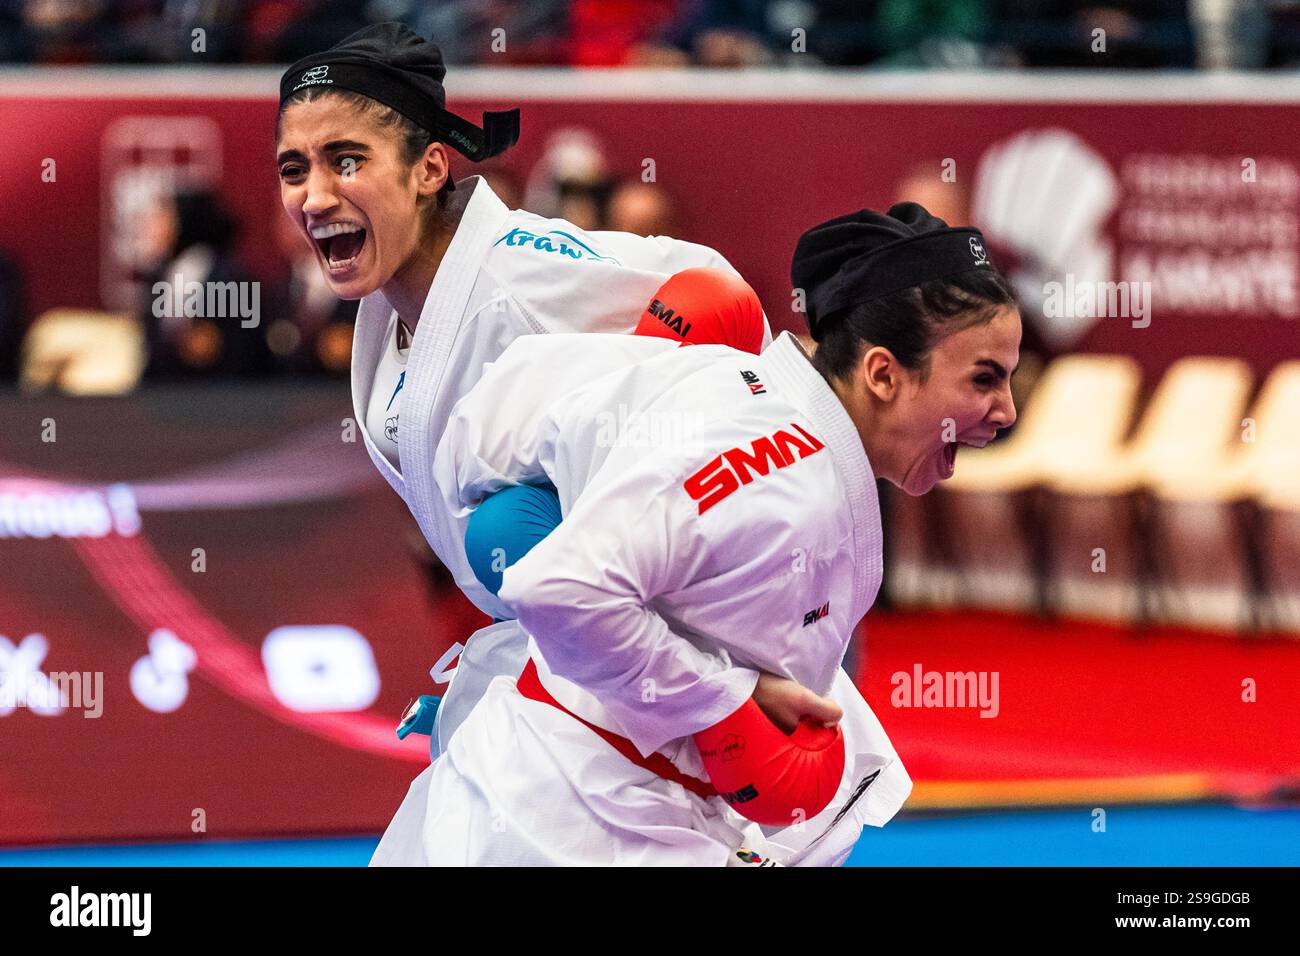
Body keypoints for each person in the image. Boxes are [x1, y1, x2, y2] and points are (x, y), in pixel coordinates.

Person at [370, 202, 1022, 866]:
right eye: (983, 379)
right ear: (884, 374)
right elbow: (559, 586)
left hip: (604, 804)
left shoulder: (762, 411)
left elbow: (509, 434)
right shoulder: (776, 463)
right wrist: (723, 700)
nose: (1007, 411)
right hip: (557, 820)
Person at [274, 22, 770, 762]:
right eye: (293, 168)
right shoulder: (393, 303)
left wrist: (739, 704)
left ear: (429, 169)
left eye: (348, 161)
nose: (314, 197)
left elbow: (722, 306)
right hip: (564, 665)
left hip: (670, 674)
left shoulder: (525, 286)